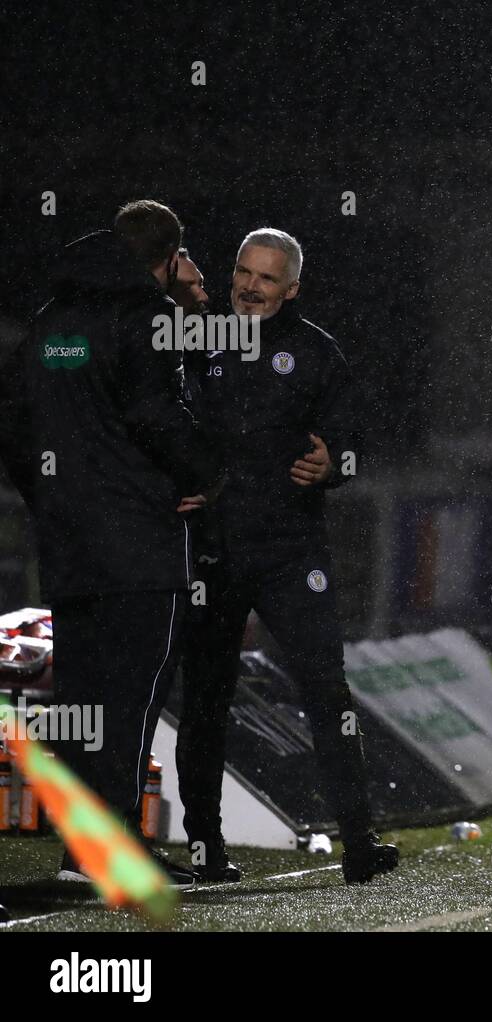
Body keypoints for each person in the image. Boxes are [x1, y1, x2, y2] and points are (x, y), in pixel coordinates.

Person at [0, 200, 223, 886]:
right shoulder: (145, 315)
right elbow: (157, 413)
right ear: (168, 256)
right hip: (137, 542)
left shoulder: (49, 322)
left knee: (82, 702)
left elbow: (13, 425)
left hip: (68, 543)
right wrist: (206, 475)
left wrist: (50, 499)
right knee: (131, 700)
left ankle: (81, 853)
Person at [175, 229, 398, 884]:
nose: (249, 285)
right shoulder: (196, 340)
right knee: (205, 700)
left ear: (291, 288)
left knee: (327, 692)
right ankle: (206, 851)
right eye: (243, 271)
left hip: (292, 552)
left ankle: (359, 845)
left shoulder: (317, 352)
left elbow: (354, 443)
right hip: (212, 550)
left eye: (266, 278)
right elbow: (159, 421)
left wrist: (336, 464)